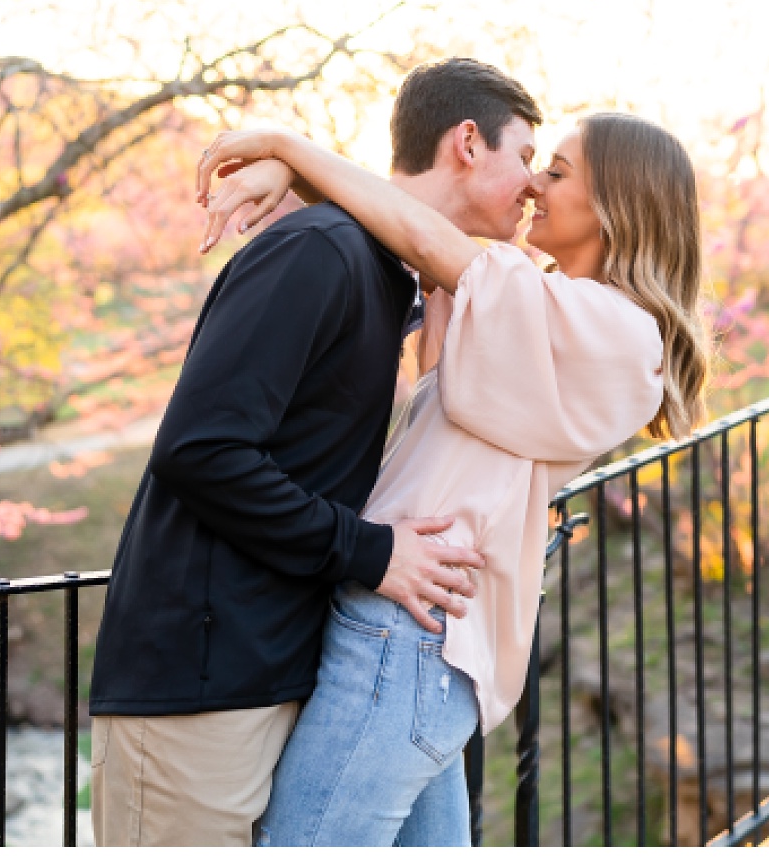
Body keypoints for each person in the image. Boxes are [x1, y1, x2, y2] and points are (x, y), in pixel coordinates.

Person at [195, 110, 709, 846]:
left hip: (408, 644)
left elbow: (431, 241)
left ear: (616, 205)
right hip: (411, 635)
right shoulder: (542, 322)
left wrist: (286, 146)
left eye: (557, 172)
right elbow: (421, 249)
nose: (534, 184)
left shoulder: (618, 332)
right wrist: (295, 180)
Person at [87, 59, 544, 846]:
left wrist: (296, 166)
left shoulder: (379, 272)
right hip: (200, 689)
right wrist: (372, 552)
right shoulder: (321, 254)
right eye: (526, 156)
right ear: (467, 142)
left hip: (277, 670)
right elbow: (201, 449)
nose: (534, 184)